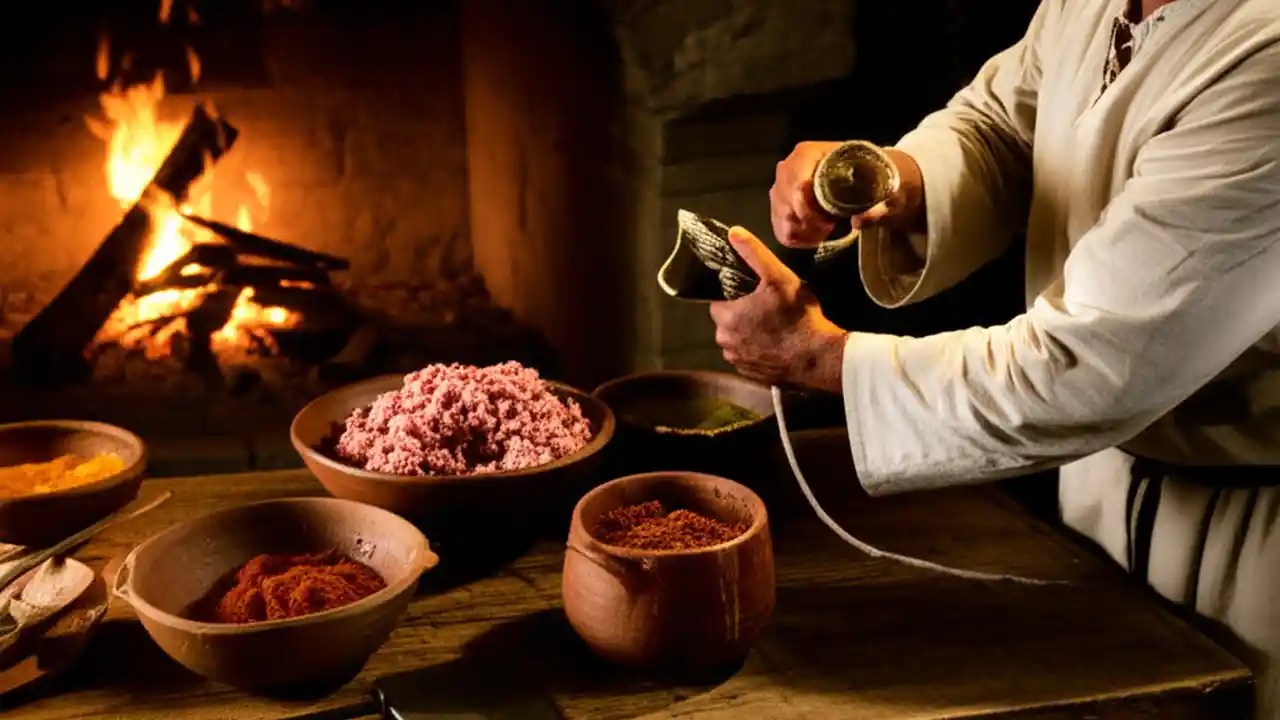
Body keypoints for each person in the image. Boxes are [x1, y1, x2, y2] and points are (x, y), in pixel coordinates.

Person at [707, 0, 1280, 715]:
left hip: (1248, 552)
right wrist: (887, 178)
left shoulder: (1267, 54)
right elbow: (1003, 123)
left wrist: (818, 358)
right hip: (1098, 491)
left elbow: (1082, 367)